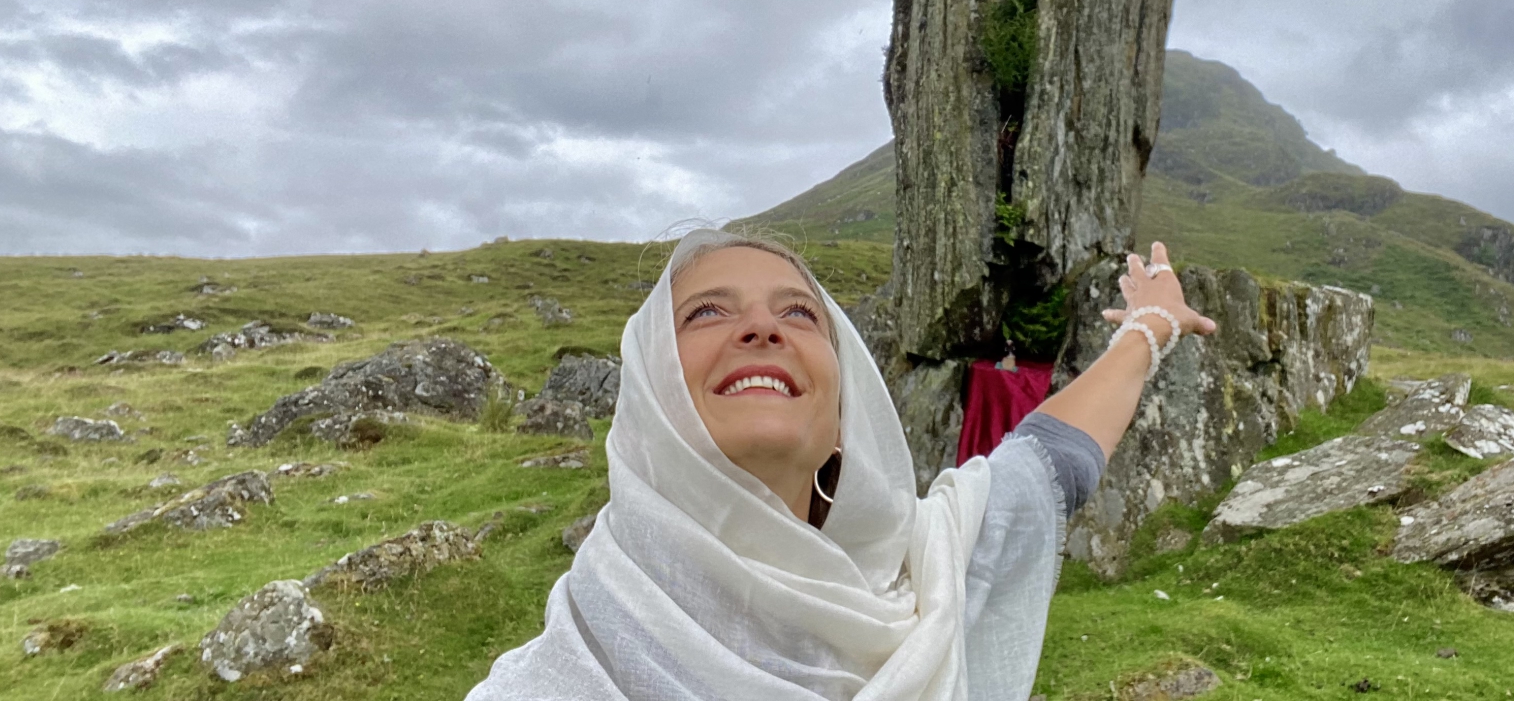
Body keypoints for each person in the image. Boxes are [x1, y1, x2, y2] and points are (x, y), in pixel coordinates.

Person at [467, 227, 1214, 701]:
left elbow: (1048, 462)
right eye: (706, 312)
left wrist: (1149, 326)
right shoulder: (556, 678)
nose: (761, 327)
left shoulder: (929, 583)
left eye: (799, 313)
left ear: (842, 421)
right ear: (649, 400)